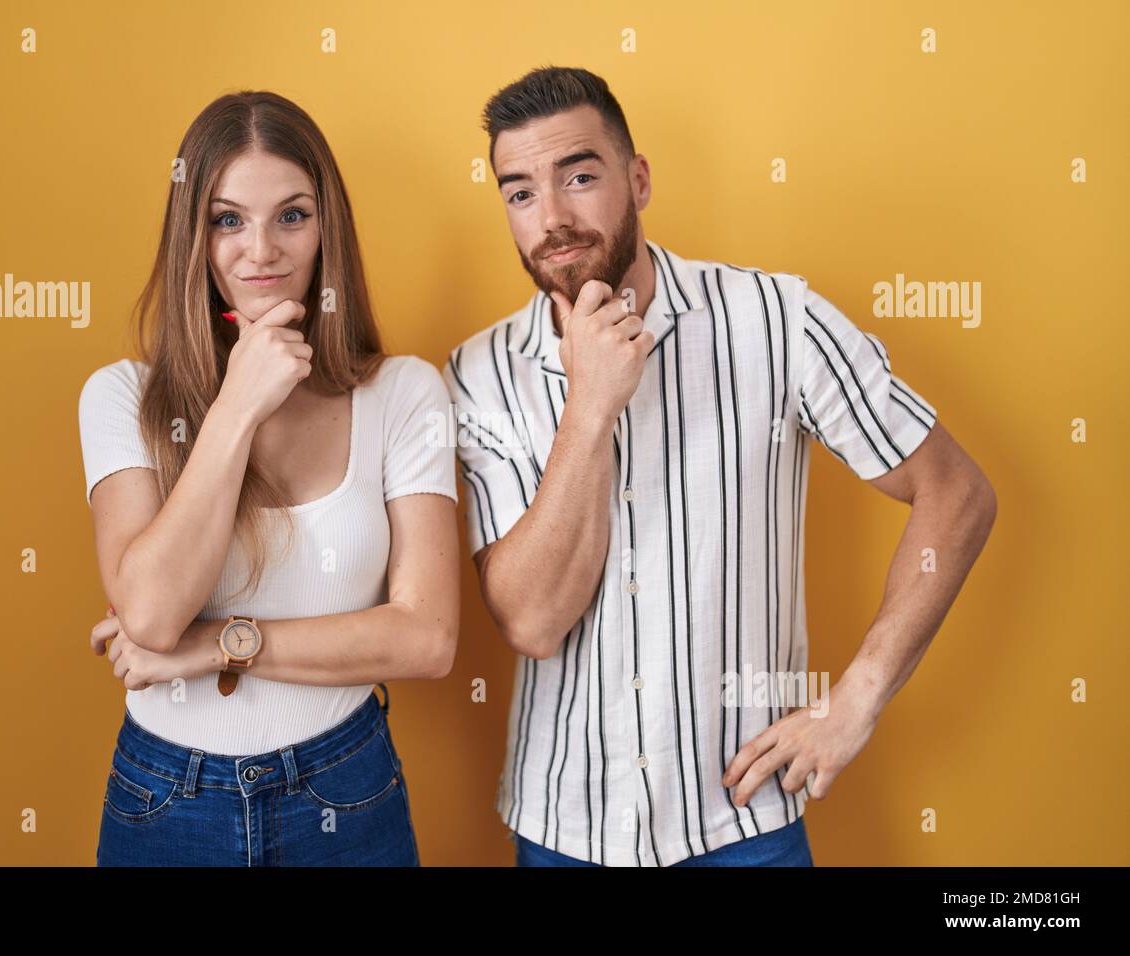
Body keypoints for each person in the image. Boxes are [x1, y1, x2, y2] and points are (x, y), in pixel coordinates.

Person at [443, 66, 996, 867]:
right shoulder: (478, 373)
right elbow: (532, 621)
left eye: (581, 176)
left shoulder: (776, 320)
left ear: (638, 179)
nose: (553, 218)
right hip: (564, 828)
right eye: (520, 192)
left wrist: (859, 698)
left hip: (744, 824)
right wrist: (591, 408)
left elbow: (957, 494)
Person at [77, 90, 459, 866]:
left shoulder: (403, 392)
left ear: (328, 232)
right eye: (228, 220)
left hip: (345, 789)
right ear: (194, 236)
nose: (261, 252)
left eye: (292, 215)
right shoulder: (119, 396)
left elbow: (427, 638)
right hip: (167, 801)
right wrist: (237, 407)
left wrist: (215, 646)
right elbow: (148, 616)